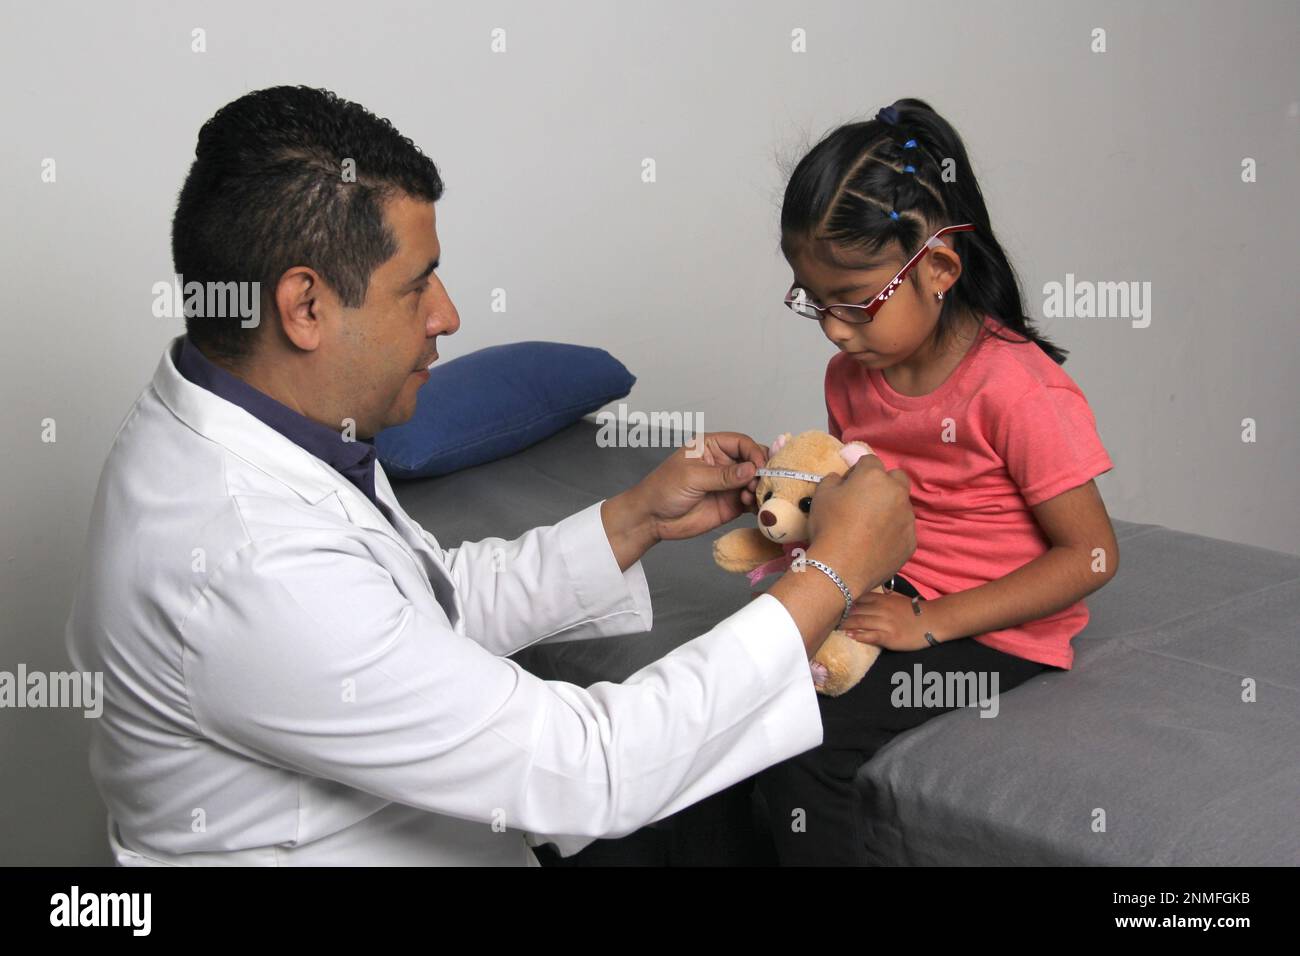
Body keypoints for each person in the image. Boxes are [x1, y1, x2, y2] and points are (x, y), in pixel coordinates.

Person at [63, 86, 918, 866]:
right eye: (417, 286)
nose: (448, 315)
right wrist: (832, 573)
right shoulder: (247, 557)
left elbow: (419, 612)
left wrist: (636, 519)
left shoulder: (266, 427)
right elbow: (592, 769)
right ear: (305, 307)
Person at [751, 98, 1120, 865]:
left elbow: (1091, 557)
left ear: (940, 269)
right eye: (815, 302)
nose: (834, 329)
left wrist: (931, 624)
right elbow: (867, 496)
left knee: (802, 749)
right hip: (890, 594)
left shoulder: (1016, 388)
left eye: (855, 302)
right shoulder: (851, 377)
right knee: (729, 701)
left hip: (992, 630)